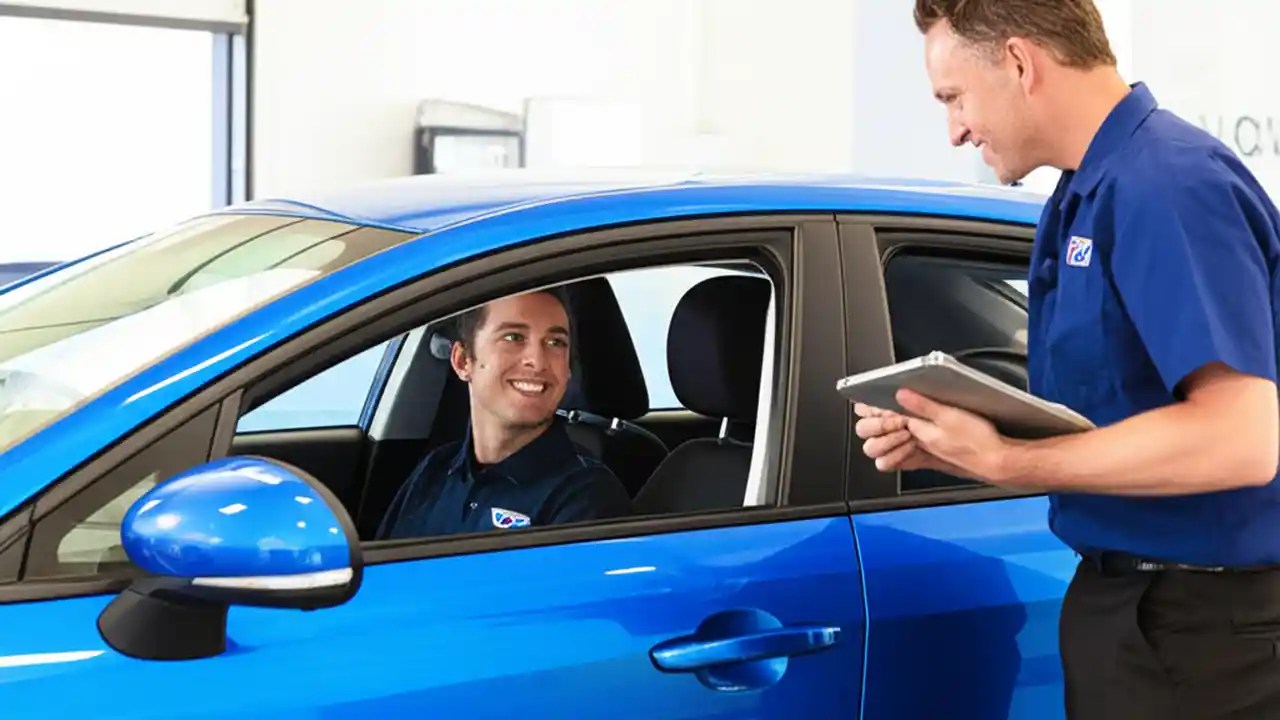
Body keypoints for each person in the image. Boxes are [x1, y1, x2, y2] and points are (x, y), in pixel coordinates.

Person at [856, 1, 1280, 717]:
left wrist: (1007, 463)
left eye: (954, 98)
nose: (955, 130)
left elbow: (1241, 440)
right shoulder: (1078, 199)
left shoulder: (1168, 186)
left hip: (1205, 633)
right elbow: (1116, 414)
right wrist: (959, 440)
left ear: (1020, 63)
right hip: (1131, 610)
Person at [378, 288, 631, 539]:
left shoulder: (586, 496)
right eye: (514, 337)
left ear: (568, 371)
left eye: (556, 343)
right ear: (463, 361)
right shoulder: (434, 471)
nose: (538, 360)